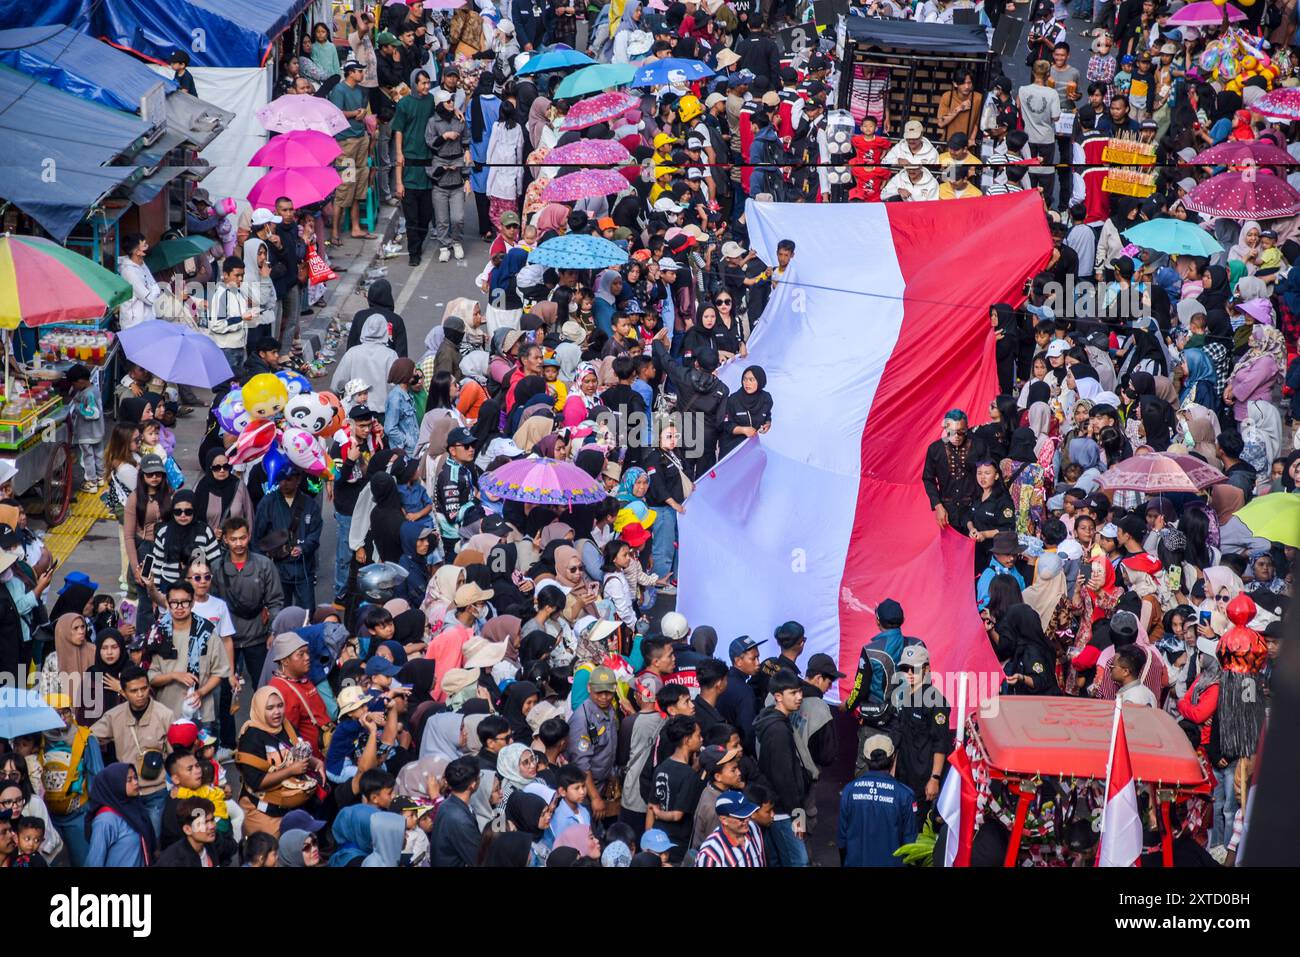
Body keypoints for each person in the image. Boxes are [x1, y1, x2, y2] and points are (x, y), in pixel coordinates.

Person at [211, 516, 284, 750]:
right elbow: (212, 605)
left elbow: (275, 601)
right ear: (226, 540)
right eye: (233, 539)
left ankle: (266, 736)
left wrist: (272, 629)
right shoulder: (216, 569)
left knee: (264, 690)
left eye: (243, 538)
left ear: (249, 536)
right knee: (224, 693)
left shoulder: (264, 565)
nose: (239, 543)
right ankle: (228, 743)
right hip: (227, 641)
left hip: (258, 637)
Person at [88, 666, 173, 838]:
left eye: (144, 688)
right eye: (134, 691)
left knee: (153, 840)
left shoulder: (165, 715)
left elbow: (175, 756)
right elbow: (89, 736)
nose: (140, 694)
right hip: (126, 794)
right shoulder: (114, 716)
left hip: (156, 791)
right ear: (124, 693)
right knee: (131, 841)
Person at [753, 670, 811, 866]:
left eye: (800, 691)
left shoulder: (772, 721)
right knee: (799, 861)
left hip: (776, 807)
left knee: (776, 860)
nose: (800, 697)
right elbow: (784, 778)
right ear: (778, 696)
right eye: (793, 693)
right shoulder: (778, 730)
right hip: (783, 811)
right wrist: (798, 816)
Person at [837, 735, 917, 867]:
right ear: (892, 758)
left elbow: (842, 838)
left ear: (865, 758)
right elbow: (910, 842)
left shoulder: (849, 791)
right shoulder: (906, 795)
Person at [328, 61, 376, 247]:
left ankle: (356, 227)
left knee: (358, 184)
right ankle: (335, 232)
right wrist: (355, 112)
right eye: (359, 71)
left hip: (360, 139)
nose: (362, 74)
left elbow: (362, 112)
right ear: (349, 73)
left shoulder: (360, 90)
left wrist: (362, 113)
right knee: (346, 185)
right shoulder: (339, 90)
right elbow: (336, 113)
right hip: (346, 142)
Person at [922, 410, 988, 530]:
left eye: (961, 432)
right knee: (949, 547)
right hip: (948, 511)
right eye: (951, 432)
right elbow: (928, 479)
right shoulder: (935, 449)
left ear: (967, 428)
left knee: (975, 547)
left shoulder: (979, 446)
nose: (956, 436)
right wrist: (938, 506)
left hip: (974, 509)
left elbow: (989, 476)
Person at [85, 762, 157, 867]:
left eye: (135, 778)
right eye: (129, 780)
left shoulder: (134, 806)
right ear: (115, 784)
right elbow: (94, 862)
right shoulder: (106, 820)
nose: (136, 782)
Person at [429, 755, 481, 866]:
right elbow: (478, 860)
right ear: (473, 784)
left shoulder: (448, 804)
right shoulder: (459, 818)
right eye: (479, 776)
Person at [696, 789, 767, 867]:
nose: (747, 820)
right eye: (741, 818)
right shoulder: (710, 854)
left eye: (748, 815)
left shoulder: (754, 828)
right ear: (724, 820)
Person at [155, 796, 220, 867]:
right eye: (204, 823)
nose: (212, 826)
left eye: (212, 820)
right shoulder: (175, 862)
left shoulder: (210, 843)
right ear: (187, 829)